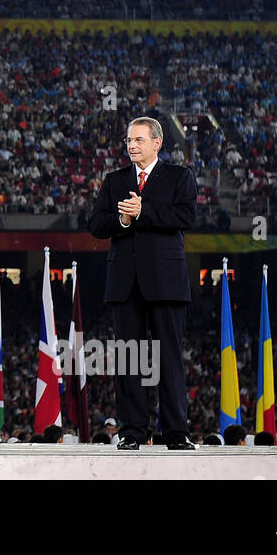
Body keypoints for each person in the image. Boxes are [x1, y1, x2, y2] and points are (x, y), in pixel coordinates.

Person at [89, 116, 195, 451]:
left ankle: (177, 434)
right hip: (124, 283)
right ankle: (132, 433)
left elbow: (185, 217)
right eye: (129, 141)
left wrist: (142, 212)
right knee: (130, 360)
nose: (131, 146)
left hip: (166, 282)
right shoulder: (115, 180)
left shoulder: (180, 177)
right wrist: (122, 218)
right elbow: (95, 223)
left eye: (138, 140)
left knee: (169, 360)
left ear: (156, 143)